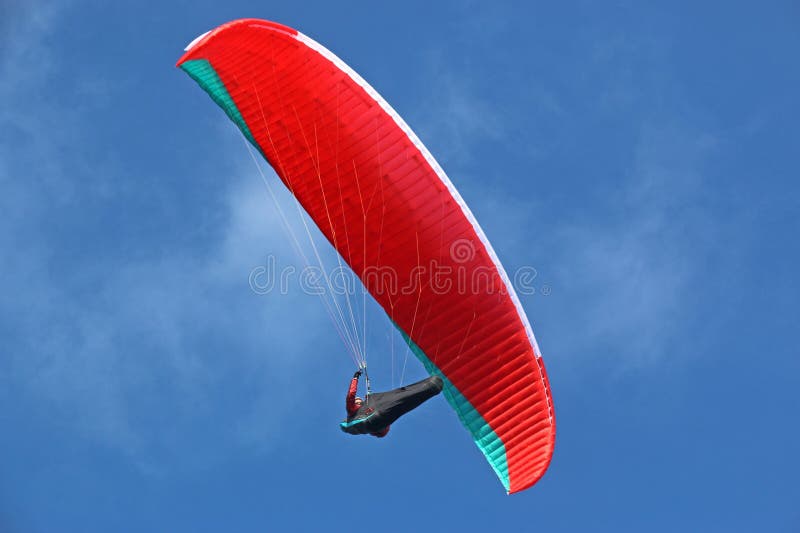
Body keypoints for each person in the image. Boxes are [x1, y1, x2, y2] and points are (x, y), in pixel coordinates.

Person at [346, 369, 390, 438]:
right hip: (372, 425)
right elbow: (351, 394)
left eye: (359, 400)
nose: (358, 400)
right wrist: (355, 378)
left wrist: (369, 398)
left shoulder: (366, 406)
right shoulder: (352, 409)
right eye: (356, 400)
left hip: (379, 425)